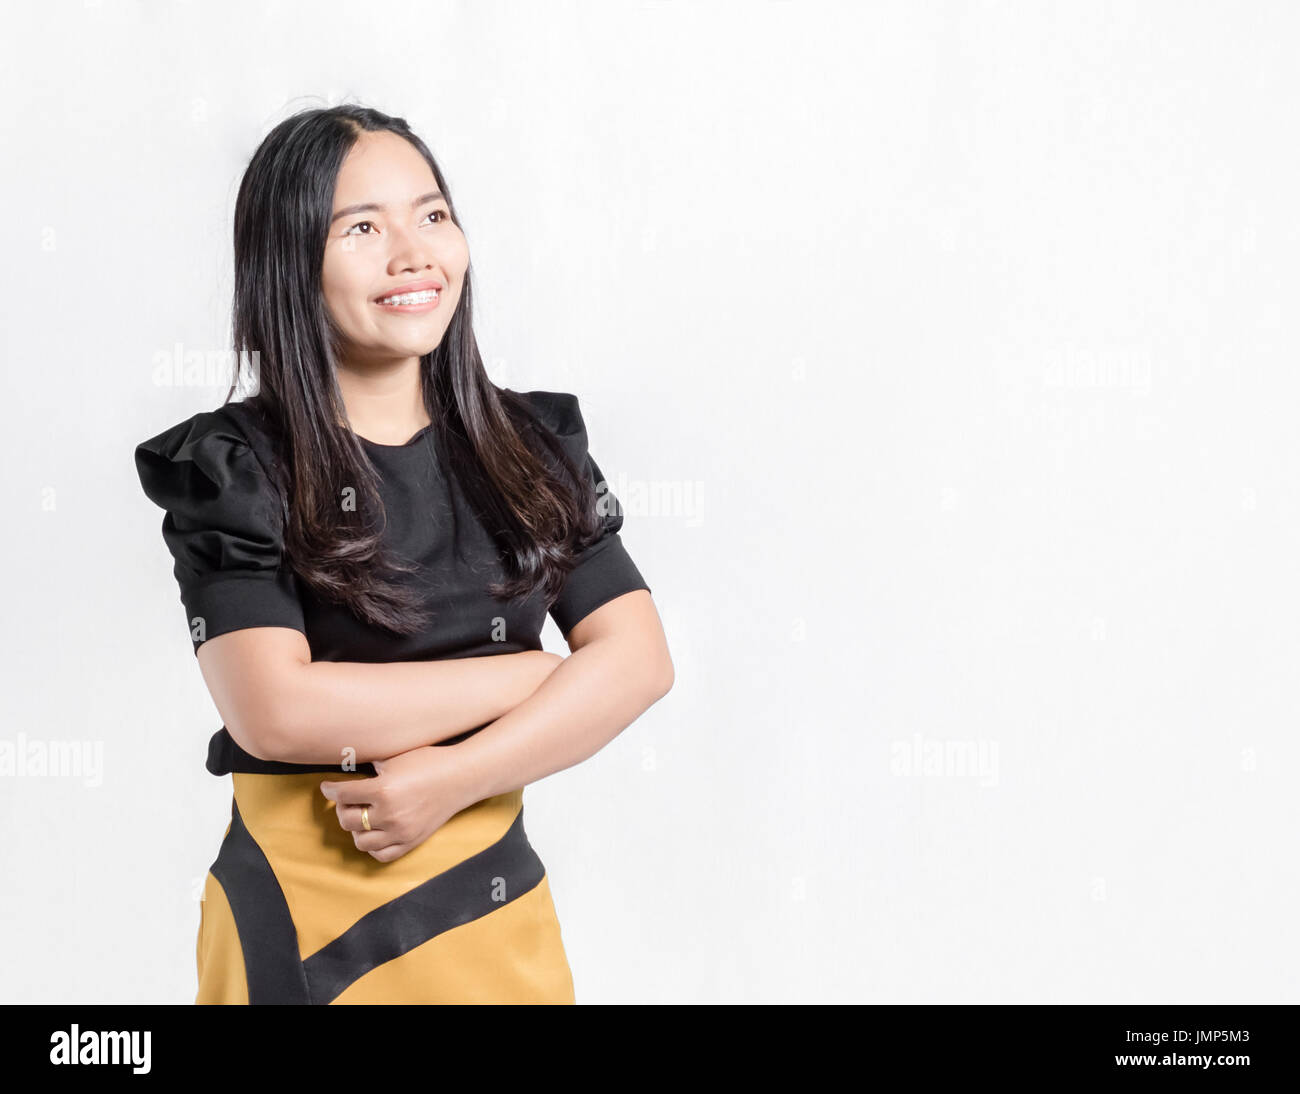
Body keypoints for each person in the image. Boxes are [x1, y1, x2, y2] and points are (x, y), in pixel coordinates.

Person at [133, 104, 673, 1004]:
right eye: (361, 229)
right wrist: (532, 676)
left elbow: (643, 662)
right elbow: (276, 708)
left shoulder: (530, 448)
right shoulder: (235, 469)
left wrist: (452, 779)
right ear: (289, 262)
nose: (413, 253)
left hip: (498, 920)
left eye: (431, 215)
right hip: (312, 931)